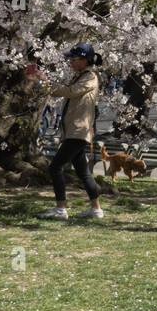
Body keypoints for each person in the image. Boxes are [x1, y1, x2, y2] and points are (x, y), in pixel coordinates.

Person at [28, 43, 104, 220]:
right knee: (83, 172)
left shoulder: (90, 77)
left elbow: (70, 92)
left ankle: (61, 209)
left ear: (84, 60)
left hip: (78, 131)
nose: (70, 62)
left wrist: (44, 81)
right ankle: (96, 209)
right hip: (73, 131)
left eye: (74, 59)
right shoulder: (80, 76)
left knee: (55, 167)